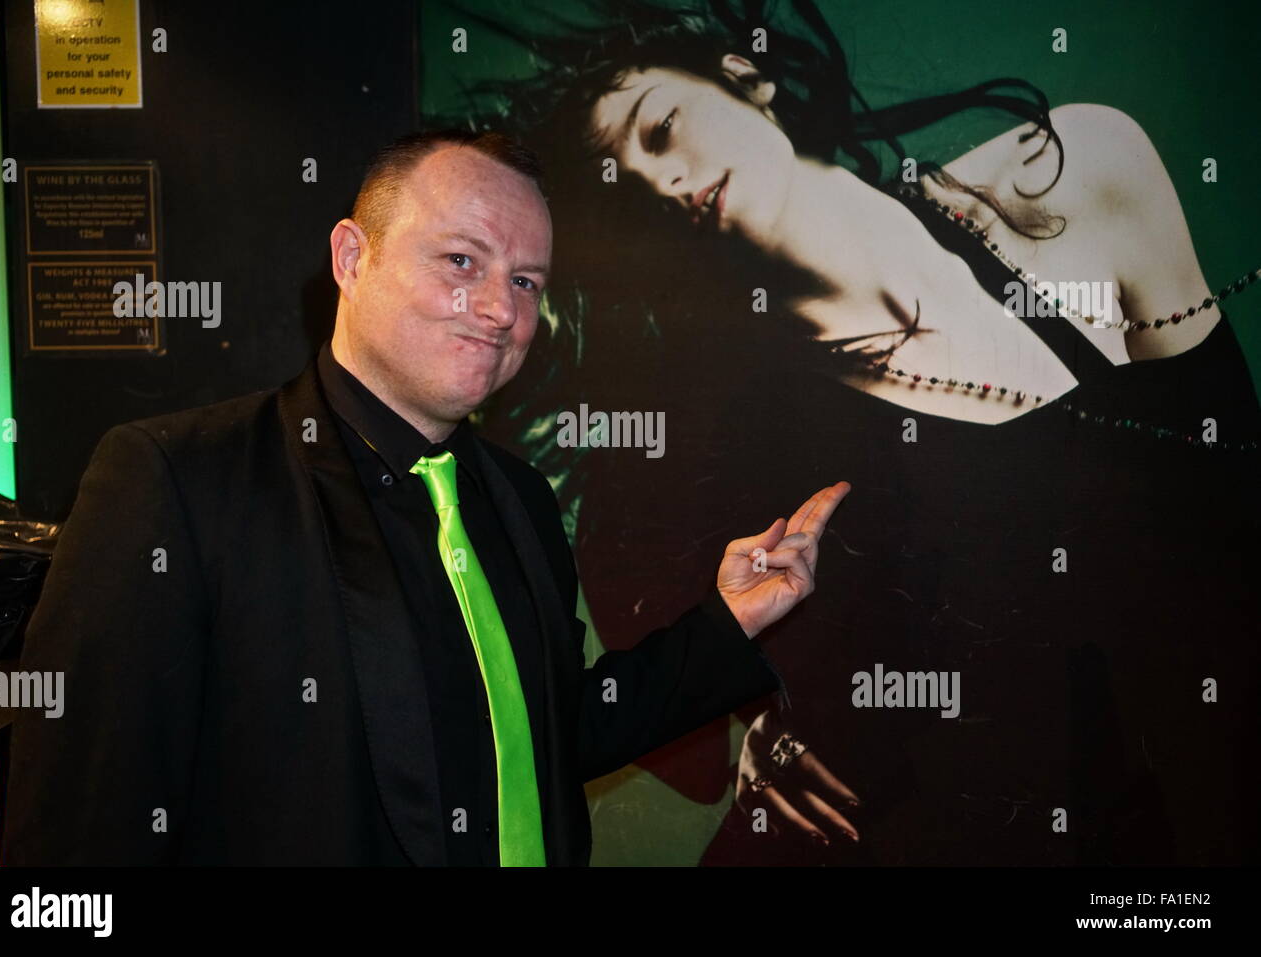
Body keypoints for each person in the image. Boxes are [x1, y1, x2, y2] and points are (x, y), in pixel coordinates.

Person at [434, 0, 1261, 864]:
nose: (663, 185)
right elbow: (686, 715)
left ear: (743, 77)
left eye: (661, 129)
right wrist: (767, 722)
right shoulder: (743, 429)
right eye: (629, 196)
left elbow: (1231, 530)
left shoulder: (1072, 176)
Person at [0, 128, 853, 866]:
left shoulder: (517, 496)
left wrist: (727, 622)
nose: (497, 308)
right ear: (350, 257)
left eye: (526, 282)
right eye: (461, 261)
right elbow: (79, 839)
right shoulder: (179, 480)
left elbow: (553, 737)